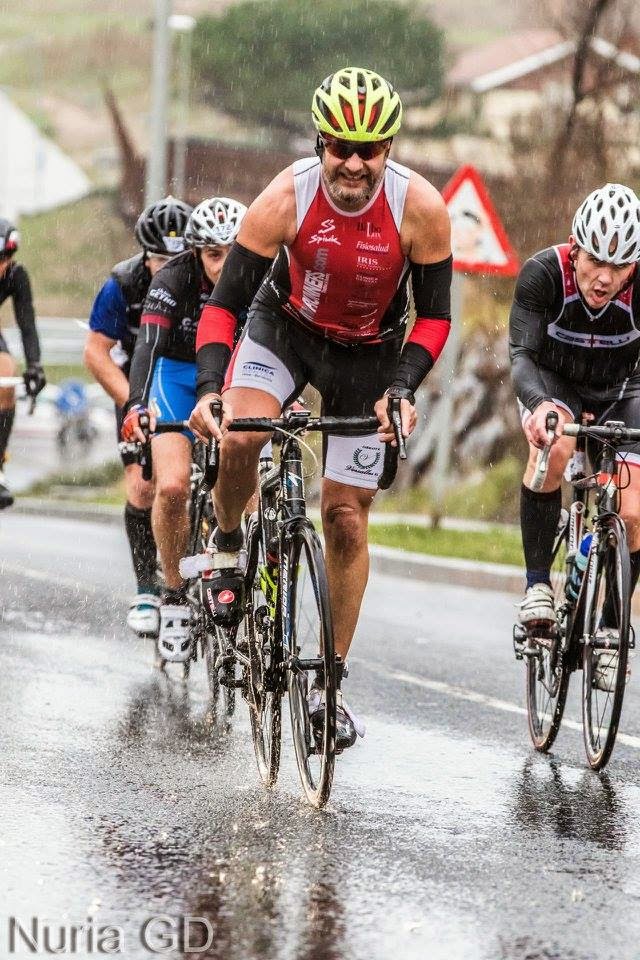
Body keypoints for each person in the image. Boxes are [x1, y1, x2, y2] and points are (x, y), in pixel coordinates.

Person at [188, 67, 452, 749]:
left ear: (389, 148)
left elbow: (435, 319)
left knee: (345, 521)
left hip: (367, 357)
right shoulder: (284, 197)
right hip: (286, 332)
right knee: (243, 438)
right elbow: (223, 306)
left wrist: (403, 386)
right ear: (320, 142)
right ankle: (224, 549)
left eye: (371, 149)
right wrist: (212, 387)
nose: (356, 164)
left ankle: (327, 684)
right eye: (342, 147)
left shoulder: (420, 209)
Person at [510, 183, 640, 640]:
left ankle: (611, 626)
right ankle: (538, 585)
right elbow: (522, 356)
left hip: (624, 390)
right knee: (556, 446)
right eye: (595, 261)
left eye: (620, 265)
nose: (605, 278)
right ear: (574, 250)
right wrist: (538, 404)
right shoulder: (543, 274)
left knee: (634, 511)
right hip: (554, 382)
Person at [120, 197, 248, 663]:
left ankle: (236, 569)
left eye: (234, 252)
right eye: (215, 255)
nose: (226, 264)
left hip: (233, 373)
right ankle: (174, 594)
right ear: (195, 253)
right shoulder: (171, 279)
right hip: (175, 375)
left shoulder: (259, 275)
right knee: (171, 487)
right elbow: (147, 346)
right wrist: (136, 404)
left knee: (244, 486)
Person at [84, 196, 192, 636]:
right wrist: (134, 401)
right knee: (144, 485)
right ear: (145, 256)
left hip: (192, 381)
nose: (168, 268)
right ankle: (147, 586)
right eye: (159, 260)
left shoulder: (202, 279)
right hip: (136, 383)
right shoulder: (123, 284)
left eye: (177, 258)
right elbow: (95, 352)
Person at [0, 218, 46, 508]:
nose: (1, 266)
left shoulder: (15, 275)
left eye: (5, 258)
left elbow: (26, 324)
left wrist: (35, 365)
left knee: (7, 374)